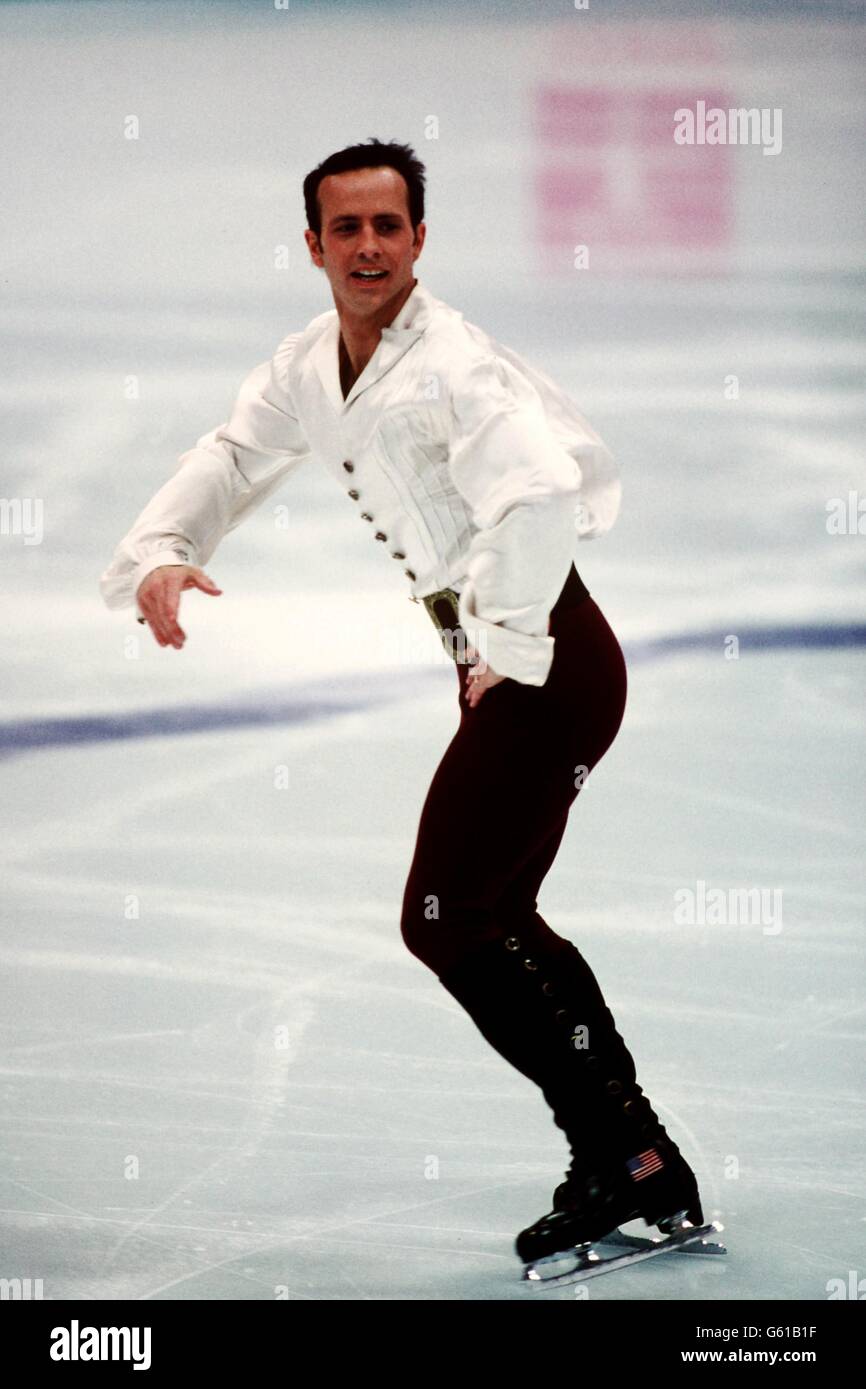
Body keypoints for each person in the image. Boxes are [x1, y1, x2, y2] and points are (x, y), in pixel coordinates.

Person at [99, 137, 704, 1268]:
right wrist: (164, 550)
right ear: (314, 245)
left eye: (389, 226)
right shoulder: (313, 364)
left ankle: (626, 1153)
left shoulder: (453, 367)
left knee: (444, 917)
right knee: (494, 914)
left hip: (550, 661)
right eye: (346, 228)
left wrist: (506, 644)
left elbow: (538, 494)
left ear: (419, 238)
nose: (368, 247)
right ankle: (631, 1156)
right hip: (516, 660)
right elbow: (232, 457)